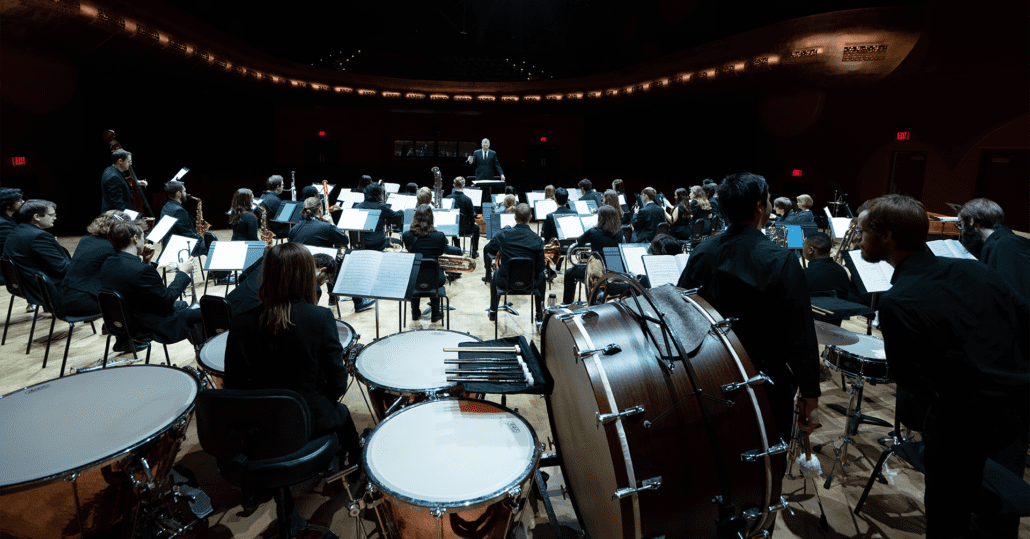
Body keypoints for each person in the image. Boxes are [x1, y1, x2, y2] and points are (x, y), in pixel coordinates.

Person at [856, 195, 1028, 539]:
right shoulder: (976, 270)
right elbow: (1022, 320)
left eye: (863, 233)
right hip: (1015, 410)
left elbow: (911, 381)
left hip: (960, 424)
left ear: (886, 235)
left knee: (947, 519)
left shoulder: (899, 300)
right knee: (998, 511)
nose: (860, 241)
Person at [677, 173, 820, 441]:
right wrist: (810, 394)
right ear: (760, 208)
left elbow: (682, 311)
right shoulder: (781, 260)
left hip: (706, 377)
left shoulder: (702, 252)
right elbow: (799, 335)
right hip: (762, 385)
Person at [224, 242, 361, 470]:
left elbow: (233, 384)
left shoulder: (240, 323)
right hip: (308, 419)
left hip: (259, 423)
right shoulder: (320, 318)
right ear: (306, 274)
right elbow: (338, 384)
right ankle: (356, 465)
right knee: (342, 412)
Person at [99, 219, 204, 348]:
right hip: (147, 325)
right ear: (135, 239)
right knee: (203, 313)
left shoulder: (107, 263)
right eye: (143, 237)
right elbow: (167, 300)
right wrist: (183, 272)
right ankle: (203, 353)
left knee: (183, 304)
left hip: (125, 320)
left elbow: (139, 290)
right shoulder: (141, 270)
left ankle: (200, 348)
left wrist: (146, 261)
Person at [289, 197, 366, 312]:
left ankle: (332, 297)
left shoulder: (294, 228)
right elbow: (344, 240)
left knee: (327, 257)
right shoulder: (326, 227)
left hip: (300, 265)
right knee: (343, 261)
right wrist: (332, 223)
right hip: (319, 267)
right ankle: (359, 303)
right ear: (319, 210)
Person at [2, 199, 71, 307]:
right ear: (37, 217)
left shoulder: (16, 231)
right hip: (47, 289)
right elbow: (62, 269)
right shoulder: (39, 237)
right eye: (52, 215)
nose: (55, 217)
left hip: (26, 286)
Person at [957, 198, 1029, 301]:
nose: (962, 230)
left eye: (960, 225)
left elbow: (1016, 296)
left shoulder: (1007, 244)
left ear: (971, 221)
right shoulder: (997, 244)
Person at [227, 251, 336, 316]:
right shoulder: (312, 287)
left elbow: (243, 278)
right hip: (250, 324)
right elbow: (301, 319)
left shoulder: (269, 258)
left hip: (225, 307)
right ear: (322, 270)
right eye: (326, 279)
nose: (323, 283)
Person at [484, 204, 545, 322]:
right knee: (542, 275)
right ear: (531, 218)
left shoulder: (504, 235)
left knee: (494, 275)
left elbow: (490, 250)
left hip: (505, 281)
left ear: (515, 218)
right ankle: (539, 313)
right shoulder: (537, 239)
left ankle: (493, 311)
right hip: (530, 283)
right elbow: (540, 267)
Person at [61, 211, 127, 318]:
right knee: (132, 301)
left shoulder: (86, 239)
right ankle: (115, 329)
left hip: (66, 296)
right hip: (80, 302)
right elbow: (130, 273)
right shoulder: (111, 247)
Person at [563, 205, 624, 304]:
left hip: (596, 271)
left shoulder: (593, 232)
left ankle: (567, 303)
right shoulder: (620, 233)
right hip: (613, 270)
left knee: (568, 273)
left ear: (600, 218)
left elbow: (580, 241)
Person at [802, 232, 866, 325]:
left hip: (810, 328)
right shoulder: (842, 272)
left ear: (810, 250)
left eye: (803, 246)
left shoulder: (805, 274)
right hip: (834, 326)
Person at [402, 205, 447, 323]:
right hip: (436, 278)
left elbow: (409, 250)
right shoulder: (439, 236)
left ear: (415, 217)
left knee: (416, 276)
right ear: (431, 218)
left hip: (414, 279)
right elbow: (441, 252)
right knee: (433, 277)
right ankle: (435, 314)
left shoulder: (407, 235)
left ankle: (415, 313)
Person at [160, 181, 212, 257]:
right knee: (212, 246)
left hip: (171, 241)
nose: (186, 194)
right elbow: (188, 234)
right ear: (178, 193)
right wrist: (201, 238)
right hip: (181, 244)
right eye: (184, 191)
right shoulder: (178, 211)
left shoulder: (166, 206)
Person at [354, 183, 403, 251]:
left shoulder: (357, 207)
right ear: (378, 195)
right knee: (398, 242)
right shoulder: (381, 207)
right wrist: (403, 210)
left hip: (361, 244)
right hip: (378, 244)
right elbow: (396, 216)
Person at [445, 176, 480, 258]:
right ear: (463, 185)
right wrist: (472, 223)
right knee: (476, 228)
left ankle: (457, 249)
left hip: (452, 228)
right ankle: (474, 252)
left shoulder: (448, 198)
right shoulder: (467, 200)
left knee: (455, 224)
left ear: (454, 185)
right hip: (465, 228)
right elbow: (471, 218)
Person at [100, 149, 141, 213]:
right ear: (120, 161)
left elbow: (118, 184)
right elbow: (118, 204)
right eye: (129, 161)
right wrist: (128, 218)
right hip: (116, 217)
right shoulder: (113, 178)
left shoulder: (109, 169)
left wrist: (136, 182)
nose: (131, 163)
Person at [0, 188, 24, 285]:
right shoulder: (3, 225)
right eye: (19, 201)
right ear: (8, 205)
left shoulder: (9, 219)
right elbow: (15, 247)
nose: (23, 202)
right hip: (6, 270)